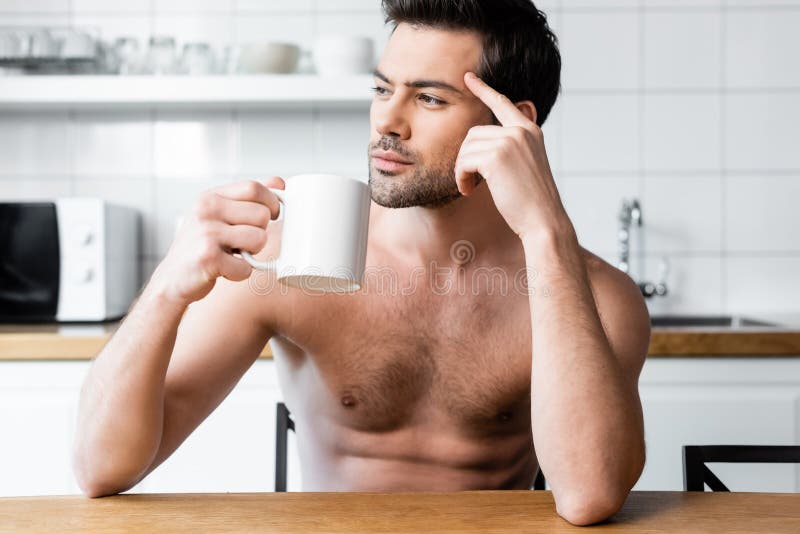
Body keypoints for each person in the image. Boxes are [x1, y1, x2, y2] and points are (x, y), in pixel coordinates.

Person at [73, 0, 650, 526]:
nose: (387, 122)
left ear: (511, 124)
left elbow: (590, 493)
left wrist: (545, 230)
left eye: (428, 98)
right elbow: (102, 468)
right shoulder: (286, 258)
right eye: (381, 89)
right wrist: (165, 291)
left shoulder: (598, 297)